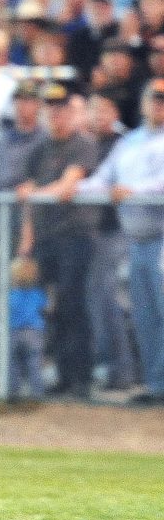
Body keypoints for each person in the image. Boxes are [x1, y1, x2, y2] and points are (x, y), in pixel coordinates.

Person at [75, 80, 164, 407]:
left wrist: (133, 190)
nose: (158, 105)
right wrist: (72, 190)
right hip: (136, 237)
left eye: (163, 100)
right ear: (143, 103)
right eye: (154, 99)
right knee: (144, 314)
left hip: (161, 235)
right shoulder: (130, 141)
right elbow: (105, 179)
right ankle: (156, 385)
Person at [16, 83, 100, 399]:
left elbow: (67, 188)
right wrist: (26, 243)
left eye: (61, 108)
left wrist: (34, 194)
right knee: (48, 309)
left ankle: (81, 378)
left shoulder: (83, 145)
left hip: (76, 237)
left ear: (70, 112)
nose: (55, 114)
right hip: (46, 239)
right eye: (50, 108)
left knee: (72, 305)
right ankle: (61, 376)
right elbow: (28, 203)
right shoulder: (38, 150)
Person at [7, 256, 47, 400]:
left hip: (14, 331)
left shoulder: (10, 295)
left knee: (13, 363)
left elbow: (2, 310)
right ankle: (37, 392)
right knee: (34, 363)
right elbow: (47, 308)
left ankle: (13, 391)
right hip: (34, 331)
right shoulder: (38, 294)